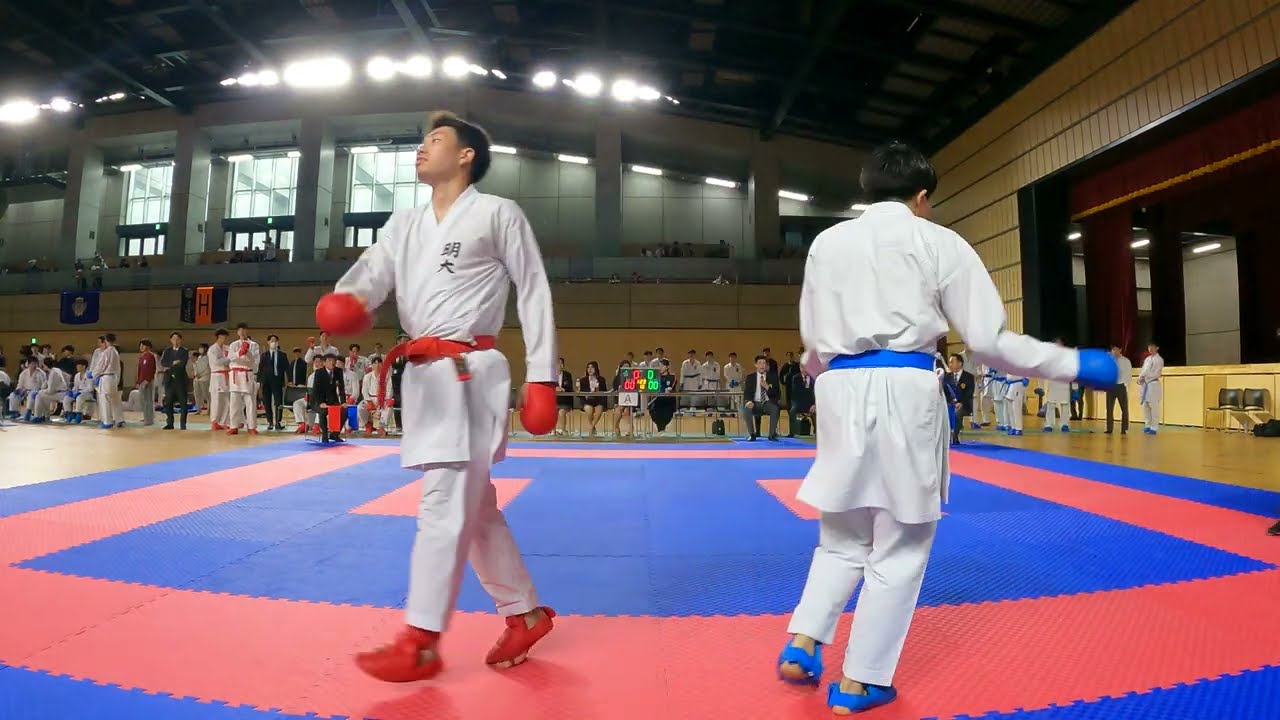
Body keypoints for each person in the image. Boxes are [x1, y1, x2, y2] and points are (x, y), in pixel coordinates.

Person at [777, 142, 1119, 714]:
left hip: (837, 387)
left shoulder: (826, 243)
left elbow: (811, 341)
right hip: (906, 387)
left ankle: (804, 642)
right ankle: (861, 680)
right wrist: (1073, 364)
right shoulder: (939, 241)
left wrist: (827, 384)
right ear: (921, 197)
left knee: (842, 535)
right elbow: (987, 342)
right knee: (902, 541)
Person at [318, 110, 560, 683]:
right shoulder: (404, 223)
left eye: (436, 139)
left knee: (443, 502)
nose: (421, 147)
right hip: (423, 375)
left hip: (469, 370)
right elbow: (372, 273)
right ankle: (524, 614)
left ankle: (421, 640)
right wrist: (349, 300)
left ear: (466, 154)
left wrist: (543, 376)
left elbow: (534, 290)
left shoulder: (498, 213)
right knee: (476, 507)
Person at [226, 323, 260, 435]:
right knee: (234, 402)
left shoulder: (254, 345)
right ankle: (234, 426)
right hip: (235, 375)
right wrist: (240, 352)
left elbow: (255, 360)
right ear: (237, 332)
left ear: (247, 331)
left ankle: (251, 426)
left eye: (244, 330)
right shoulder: (233, 344)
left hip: (247, 374)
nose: (242, 332)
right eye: (240, 330)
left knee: (250, 402)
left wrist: (247, 352)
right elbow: (231, 358)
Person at [743, 354, 780, 441]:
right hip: (755, 403)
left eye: (764, 363)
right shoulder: (750, 378)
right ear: (756, 365)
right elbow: (747, 393)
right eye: (759, 363)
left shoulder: (773, 377)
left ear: (766, 365)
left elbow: (777, 394)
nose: (762, 365)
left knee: (775, 409)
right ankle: (752, 434)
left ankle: (772, 435)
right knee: (747, 408)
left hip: (768, 403)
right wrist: (748, 401)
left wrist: (767, 387)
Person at [88, 335, 121, 429]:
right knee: (113, 399)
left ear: (106, 341)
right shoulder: (115, 352)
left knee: (105, 400)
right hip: (113, 377)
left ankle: (107, 421)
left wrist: (93, 374)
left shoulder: (106, 352)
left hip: (106, 377)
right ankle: (118, 419)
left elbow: (101, 366)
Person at [311, 353, 346, 442]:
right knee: (323, 411)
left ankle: (335, 434)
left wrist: (343, 402)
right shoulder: (319, 372)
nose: (332, 363)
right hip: (318, 400)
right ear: (324, 363)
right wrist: (320, 403)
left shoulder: (338, 371)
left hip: (332, 400)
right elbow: (316, 390)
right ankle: (325, 434)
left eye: (333, 361)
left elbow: (341, 388)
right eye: (329, 361)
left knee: (344, 411)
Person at [161, 332, 190, 430]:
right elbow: (163, 363)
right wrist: (173, 363)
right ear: (170, 340)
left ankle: (183, 424)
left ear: (180, 340)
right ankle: (170, 423)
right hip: (169, 380)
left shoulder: (184, 351)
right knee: (168, 402)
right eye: (173, 339)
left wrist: (170, 365)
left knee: (183, 403)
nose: (175, 341)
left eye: (177, 339)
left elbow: (182, 363)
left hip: (180, 380)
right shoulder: (167, 351)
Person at [260, 335, 289, 430]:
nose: (274, 343)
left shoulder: (282, 355)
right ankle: (270, 422)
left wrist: (290, 380)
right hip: (266, 381)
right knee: (267, 402)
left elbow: (287, 368)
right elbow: (260, 369)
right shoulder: (264, 355)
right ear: (268, 342)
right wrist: (259, 382)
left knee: (278, 402)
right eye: (272, 341)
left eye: (275, 341)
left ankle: (278, 422)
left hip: (277, 381)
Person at [1043, 340, 1072, 432]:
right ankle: (1049, 424)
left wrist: (1075, 388)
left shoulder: (1068, 356)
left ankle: (1064, 424)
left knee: (1065, 405)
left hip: (1064, 383)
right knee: (1051, 404)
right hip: (1053, 383)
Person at [1104, 346, 1132, 434]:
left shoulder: (1125, 361)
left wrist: (1124, 385)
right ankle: (1109, 428)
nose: (1114, 351)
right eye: (1113, 349)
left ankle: (1124, 429)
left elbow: (1128, 374)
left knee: (1124, 409)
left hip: (1120, 386)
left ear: (1120, 350)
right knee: (1109, 409)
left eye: (1116, 349)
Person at [1137, 341, 1163, 435]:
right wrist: (1140, 378)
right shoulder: (1147, 359)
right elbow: (1143, 370)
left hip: (1153, 384)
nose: (1150, 349)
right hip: (1145, 385)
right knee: (1146, 405)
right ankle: (1147, 424)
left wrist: (1146, 378)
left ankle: (1154, 427)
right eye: (1149, 347)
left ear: (1157, 348)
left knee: (1154, 406)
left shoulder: (1159, 360)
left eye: (1152, 347)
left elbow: (1157, 373)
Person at [207, 329, 231, 430]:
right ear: (218, 337)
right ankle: (214, 421)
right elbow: (216, 362)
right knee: (216, 400)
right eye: (222, 336)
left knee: (226, 400)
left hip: (226, 376)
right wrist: (228, 359)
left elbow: (232, 358)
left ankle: (223, 421)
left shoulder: (227, 348)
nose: (224, 338)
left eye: (225, 337)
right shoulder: (212, 349)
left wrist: (229, 360)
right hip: (216, 376)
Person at [578, 361, 607, 437]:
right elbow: (579, 394)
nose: (590, 369)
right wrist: (584, 395)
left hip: (598, 401)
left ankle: (591, 428)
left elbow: (605, 393)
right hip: (587, 401)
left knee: (599, 410)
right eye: (588, 367)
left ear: (596, 369)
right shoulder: (582, 380)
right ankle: (593, 428)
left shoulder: (601, 379)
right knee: (589, 411)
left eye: (592, 367)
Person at [136, 339, 158, 426]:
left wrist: (147, 380)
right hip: (142, 381)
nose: (141, 347)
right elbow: (140, 370)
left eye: (143, 345)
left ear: (148, 346)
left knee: (148, 400)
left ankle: (149, 420)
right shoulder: (142, 357)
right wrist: (138, 381)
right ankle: (146, 417)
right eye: (140, 345)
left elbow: (152, 369)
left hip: (147, 381)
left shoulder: (150, 356)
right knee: (143, 400)